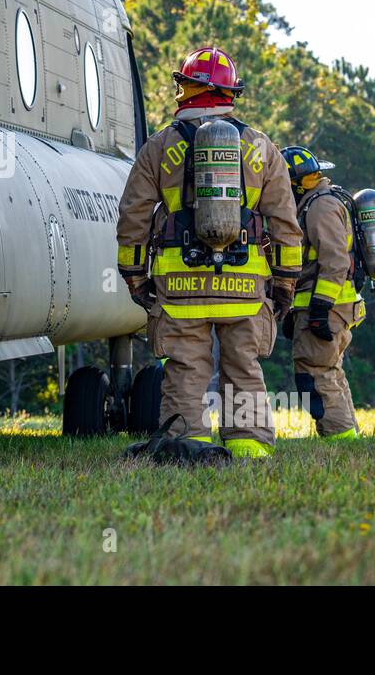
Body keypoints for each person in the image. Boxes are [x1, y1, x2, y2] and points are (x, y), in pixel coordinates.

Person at [117, 46, 302, 458]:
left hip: (180, 288)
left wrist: (135, 277)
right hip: (245, 287)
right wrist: (285, 284)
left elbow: (133, 215)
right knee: (243, 366)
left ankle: (189, 447)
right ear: (230, 92)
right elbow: (286, 224)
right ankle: (250, 448)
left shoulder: (160, 146)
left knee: (185, 368)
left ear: (190, 87)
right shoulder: (260, 148)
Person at [280, 145, 373, 440]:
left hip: (328, 307)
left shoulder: (320, 206)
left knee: (314, 373)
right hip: (332, 306)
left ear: (295, 182)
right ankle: (348, 436)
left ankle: (339, 439)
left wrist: (320, 308)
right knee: (328, 371)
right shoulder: (319, 201)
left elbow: (335, 260)